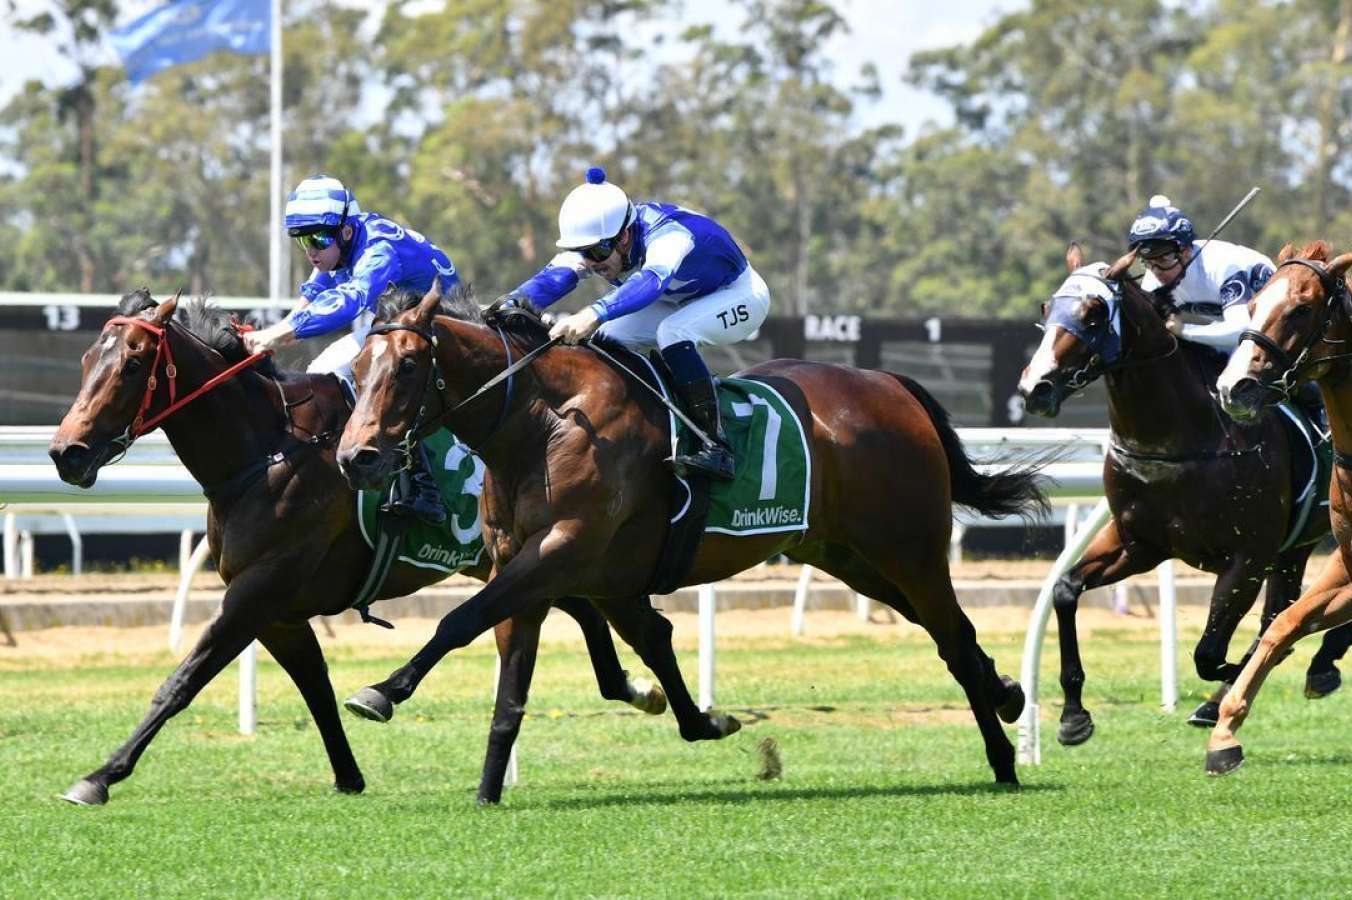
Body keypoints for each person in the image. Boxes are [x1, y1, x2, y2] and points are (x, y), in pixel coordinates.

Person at [505, 167, 771, 480]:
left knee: (672, 332)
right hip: (679, 299)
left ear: (626, 235)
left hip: (738, 294)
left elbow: (652, 282)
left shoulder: (669, 236)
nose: (591, 262)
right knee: (606, 339)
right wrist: (510, 303)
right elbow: (552, 279)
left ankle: (715, 444)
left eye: (597, 252)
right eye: (582, 253)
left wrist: (594, 312)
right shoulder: (602, 242)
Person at [242, 174, 459, 524]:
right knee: (328, 368)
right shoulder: (339, 246)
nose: (311, 249)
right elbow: (312, 297)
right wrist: (272, 334)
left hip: (442, 318)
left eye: (318, 237)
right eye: (302, 240)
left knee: (337, 366)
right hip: (402, 318)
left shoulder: (377, 249)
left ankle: (424, 487)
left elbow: (349, 302)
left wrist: (279, 333)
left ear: (345, 230)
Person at [1126, 194, 1325, 432]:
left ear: (1187, 251)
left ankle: (1321, 421)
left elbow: (1240, 330)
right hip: (1225, 336)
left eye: (1164, 258)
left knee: (1287, 379)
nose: (1157, 271)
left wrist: (1185, 330)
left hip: (1273, 333)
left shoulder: (1222, 267)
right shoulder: (1153, 280)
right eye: (1148, 262)